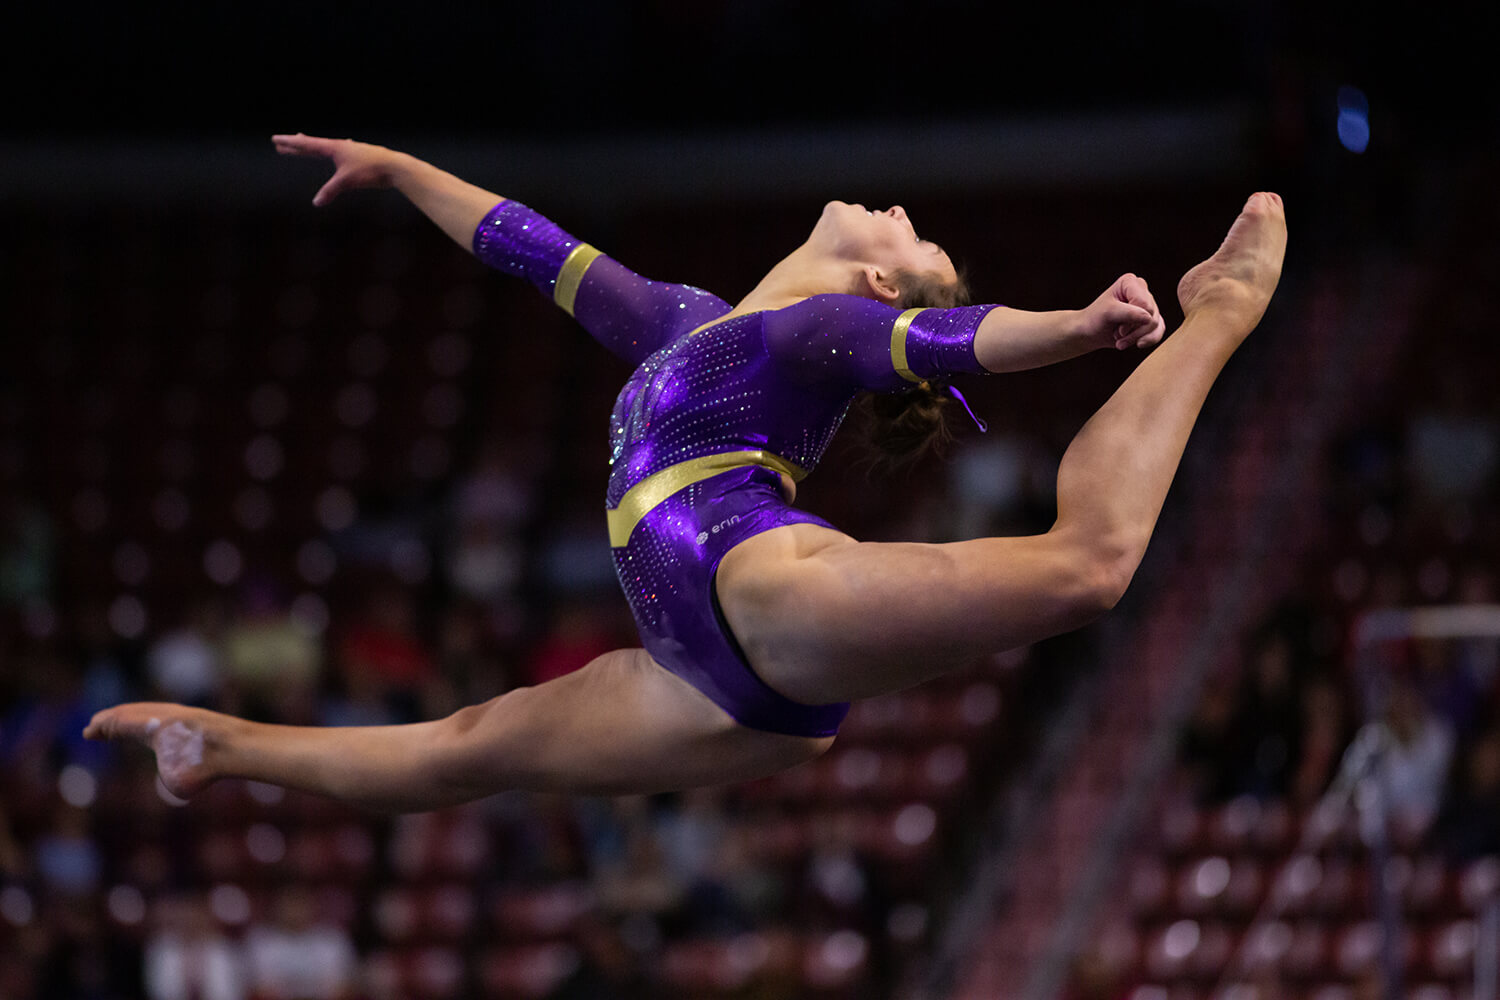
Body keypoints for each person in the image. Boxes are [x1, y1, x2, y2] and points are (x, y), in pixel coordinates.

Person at [85, 134, 1287, 809]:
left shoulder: (819, 332)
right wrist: (401, 170)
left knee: (1092, 565)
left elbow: (948, 342)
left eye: (916, 240)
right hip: (708, 676)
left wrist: (1080, 327)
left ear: (874, 281)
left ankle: (1218, 314)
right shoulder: (688, 326)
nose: (902, 209)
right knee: (469, 746)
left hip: (770, 597)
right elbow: (527, 243)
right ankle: (219, 747)